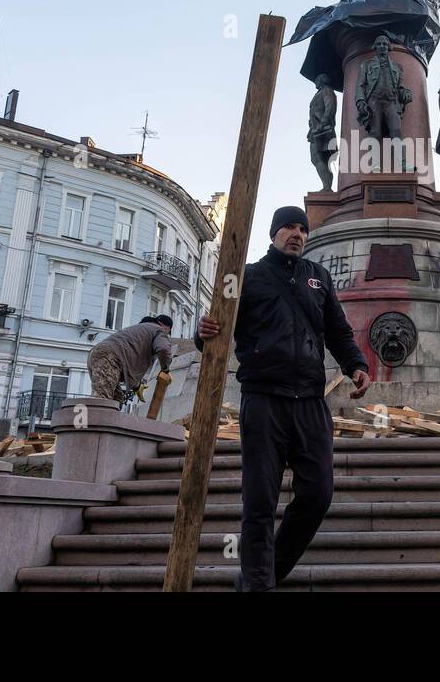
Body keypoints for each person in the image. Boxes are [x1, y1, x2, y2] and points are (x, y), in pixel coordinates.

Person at [196, 205, 372, 591]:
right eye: (289, 227)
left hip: (310, 400)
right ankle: (259, 584)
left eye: (302, 229)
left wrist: (355, 364)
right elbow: (218, 327)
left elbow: (339, 332)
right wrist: (203, 332)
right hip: (264, 399)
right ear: (274, 233)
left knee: (319, 493)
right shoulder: (248, 277)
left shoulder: (318, 278)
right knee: (259, 502)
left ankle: (269, 568)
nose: (297, 234)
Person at [88, 314, 173, 405]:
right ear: (167, 327)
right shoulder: (158, 330)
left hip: (100, 354)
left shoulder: (140, 330)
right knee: (102, 399)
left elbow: (129, 363)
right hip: (110, 356)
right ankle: (96, 418)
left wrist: (137, 386)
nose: (167, 335)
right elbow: (163, 349)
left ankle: (111, 418)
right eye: (168, 332)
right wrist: (165, 370)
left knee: (116, 399)